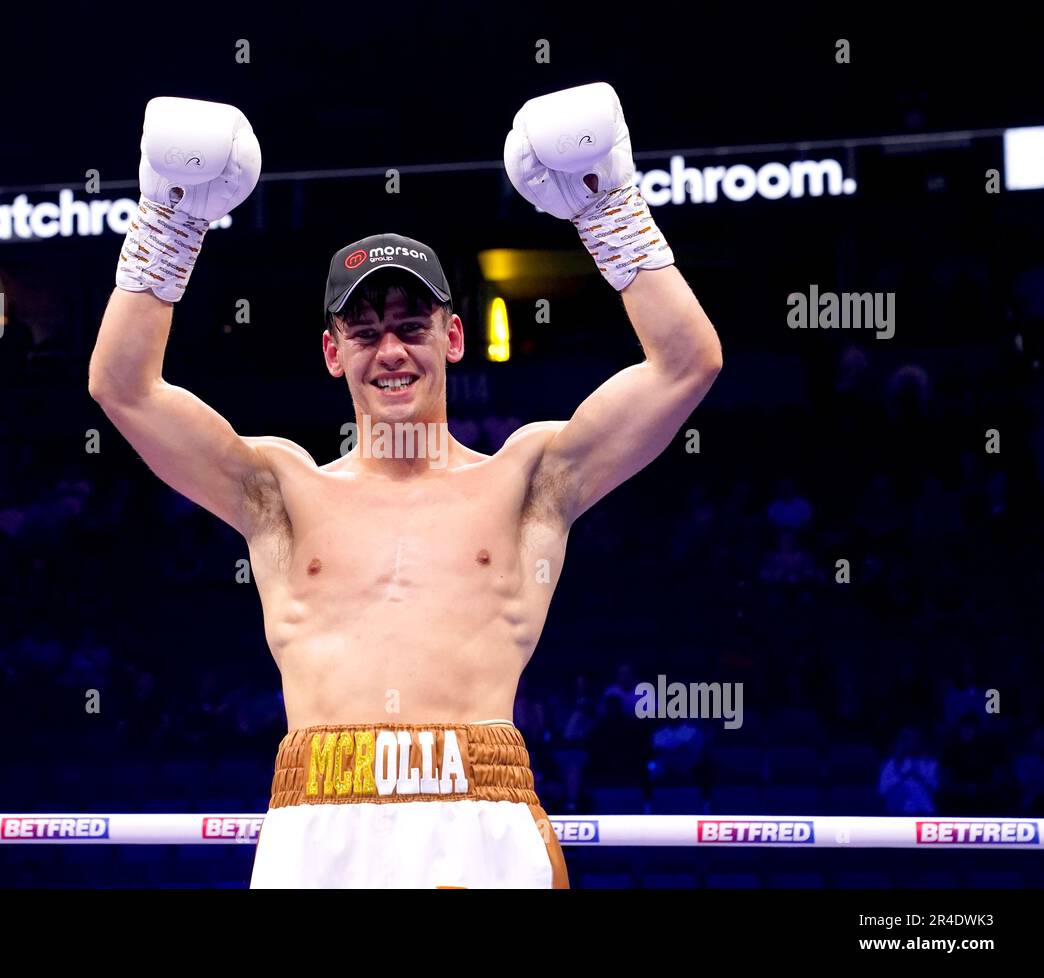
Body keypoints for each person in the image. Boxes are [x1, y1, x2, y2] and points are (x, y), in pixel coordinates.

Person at [89, 85, 722, 887]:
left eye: (411, 326)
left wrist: (609, 210)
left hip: (478, 812)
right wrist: (169, 221)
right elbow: (124, 388)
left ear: (452, 337)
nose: (391, 350)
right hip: (318, 819)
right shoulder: (279, 492)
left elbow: (685, 365)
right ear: (332, 352)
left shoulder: (528, 481)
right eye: (365, 330)